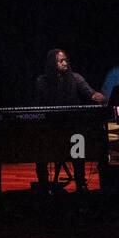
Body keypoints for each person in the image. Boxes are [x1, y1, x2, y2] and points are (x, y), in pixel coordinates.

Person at [34, 48, 105, 190]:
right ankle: (43, 184)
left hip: (72, 130)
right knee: (39, 143)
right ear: (52, 64)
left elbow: (91, 94)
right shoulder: (42, 81)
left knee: (79, 140)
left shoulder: (76, 78)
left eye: (65, 60)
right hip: (51, 130)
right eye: (60, 61)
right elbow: (37, 105)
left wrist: (103, 99)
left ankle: (80, 183)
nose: (65, 63)